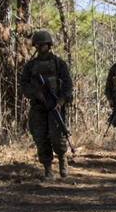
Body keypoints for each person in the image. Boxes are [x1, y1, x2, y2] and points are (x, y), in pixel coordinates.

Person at [19, 29, 74, 179]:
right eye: (37, 45)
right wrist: (36, 93)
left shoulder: (59, 63)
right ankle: (48, 169)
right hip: (38, 107)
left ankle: (63, 159)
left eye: (43, 45)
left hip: (56, 105)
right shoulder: (30, 66)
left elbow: (68, 85)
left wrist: (62, 101)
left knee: (58, 137)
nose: (40, 48)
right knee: (40, 138)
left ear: (49, 45)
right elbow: (24, 85)